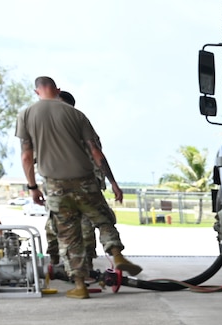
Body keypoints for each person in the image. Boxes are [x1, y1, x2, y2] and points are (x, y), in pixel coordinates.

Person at [15, 75, 141, 299]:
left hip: (55, 186)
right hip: (85, 181)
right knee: (103, 219)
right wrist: (113, 182)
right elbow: (96, 153)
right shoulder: (77, 114)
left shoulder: (26, 115)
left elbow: (26, 155)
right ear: (57, 89)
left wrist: (33, 186)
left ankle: (80, 286)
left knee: (68, 237)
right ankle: (116, 253)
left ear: (36, 92)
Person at [44, 89, 125, 269]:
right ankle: (56, 264)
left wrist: (112, 182)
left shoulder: (79, 126)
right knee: (56, 228)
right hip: (60, 189)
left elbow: (97, 155)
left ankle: (84, 270)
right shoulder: (51, 130)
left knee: (86, 229)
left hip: (84, 186)